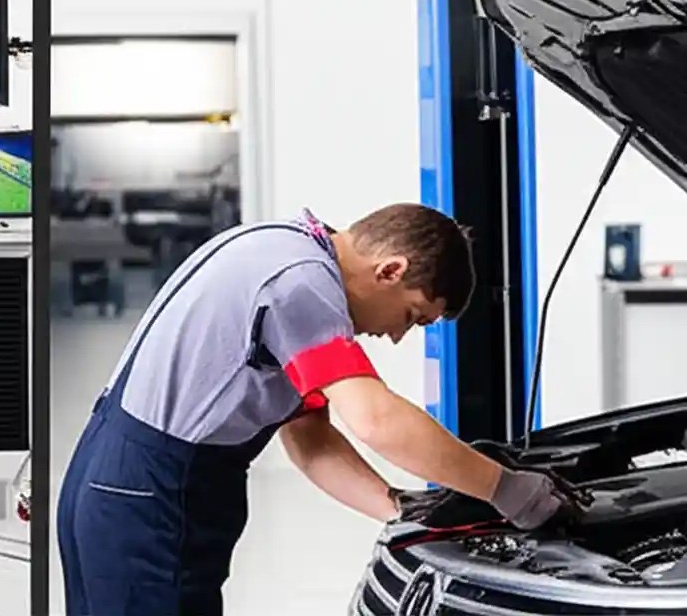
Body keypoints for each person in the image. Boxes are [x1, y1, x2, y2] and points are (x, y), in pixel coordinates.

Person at [55, 203, 584, 615]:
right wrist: (504, 487)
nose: (397, 336)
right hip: (151, 492)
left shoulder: (281, 245)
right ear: (391, 270)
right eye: (413, 316)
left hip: (126, 483)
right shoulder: (301, 283)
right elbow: (375, 418)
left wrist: (399, 508)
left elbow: (311, 440)